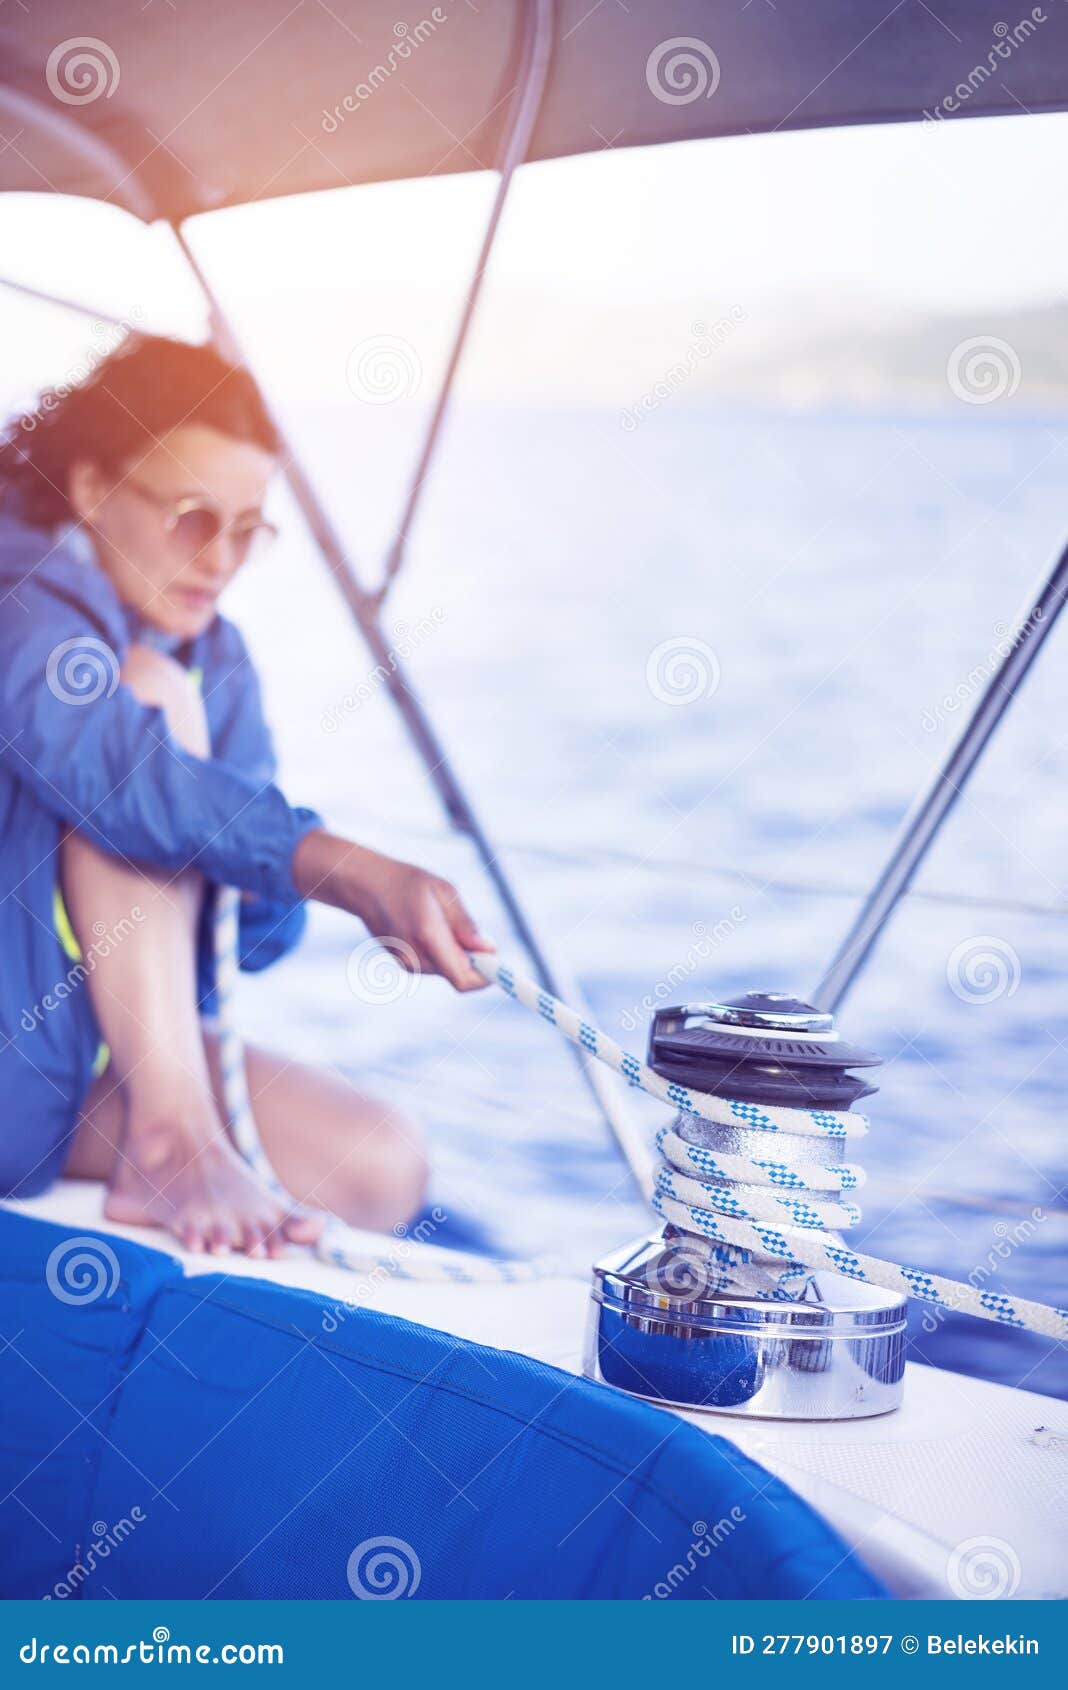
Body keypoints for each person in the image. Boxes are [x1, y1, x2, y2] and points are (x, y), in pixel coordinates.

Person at [0, 334, 493, 1258]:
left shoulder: (212, 661)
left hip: (60, 1074)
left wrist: (245, 850)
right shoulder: (15, 589)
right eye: (193, 517)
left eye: (247, 530)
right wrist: (341, 870)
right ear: (98, 488)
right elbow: (113, 769)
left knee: (380, 1163)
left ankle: (174, 1137)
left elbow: (261, 942)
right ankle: (172, 1139)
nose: (220, 558)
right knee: (147, 694)